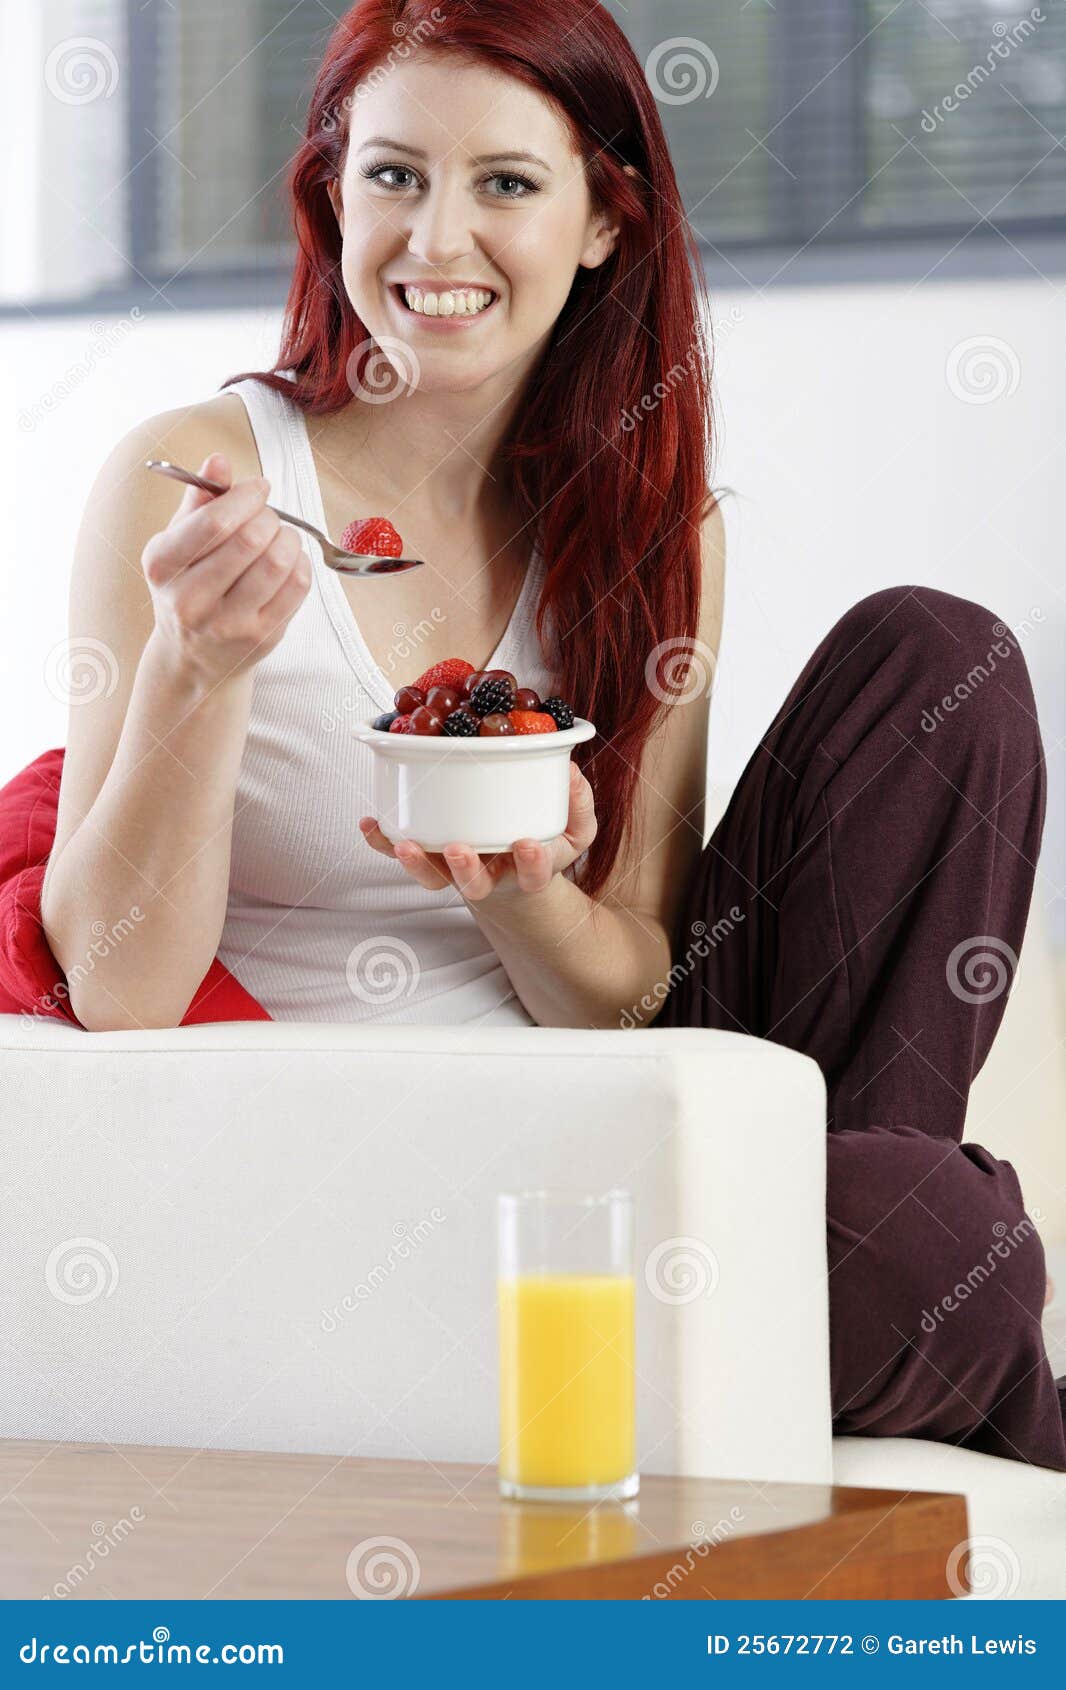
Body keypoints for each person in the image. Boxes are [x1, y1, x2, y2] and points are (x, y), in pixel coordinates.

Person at [39, 1, 1062, 1469]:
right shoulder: (190, 484)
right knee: (928, 1255)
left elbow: (632, 989)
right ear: (332, 193)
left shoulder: (654, 529)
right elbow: (118, 989)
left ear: (602, 221)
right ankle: (912, 1282)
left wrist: (520, 892)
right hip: (389, 1209)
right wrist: (196, 674)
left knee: (938, 655)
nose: (434, 241)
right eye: (391, 175)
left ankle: (877, 1235)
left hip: (609, 1132)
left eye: (505, 184)